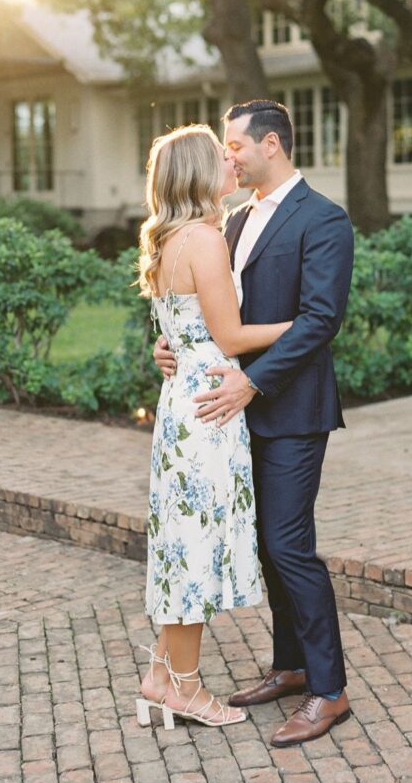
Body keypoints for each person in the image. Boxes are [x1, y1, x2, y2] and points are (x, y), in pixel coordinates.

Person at [154, 99, 354, 747]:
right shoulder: (230, 222)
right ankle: (290, 665)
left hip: (291, 408)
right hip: (231, 417)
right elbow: (213, 319)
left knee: (290, 544)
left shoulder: (324, 219)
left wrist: (255, 379)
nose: (228, 156)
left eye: (235, 145)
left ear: (271, 144)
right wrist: (174, 349)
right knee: (267, 544)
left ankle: (329, 690)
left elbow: (321, 319)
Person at [136, 124, 293, 730]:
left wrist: (168, 346)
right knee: (195, 551)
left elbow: (181, 326)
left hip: (183, 405)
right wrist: (301, 325)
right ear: (202, 173)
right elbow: (229, 337)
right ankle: (187, 689)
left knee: (180, 547)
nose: (232, 161)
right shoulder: (204, 239)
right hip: (210, 410)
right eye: (220, 155)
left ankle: (160, 674)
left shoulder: (170, 238)